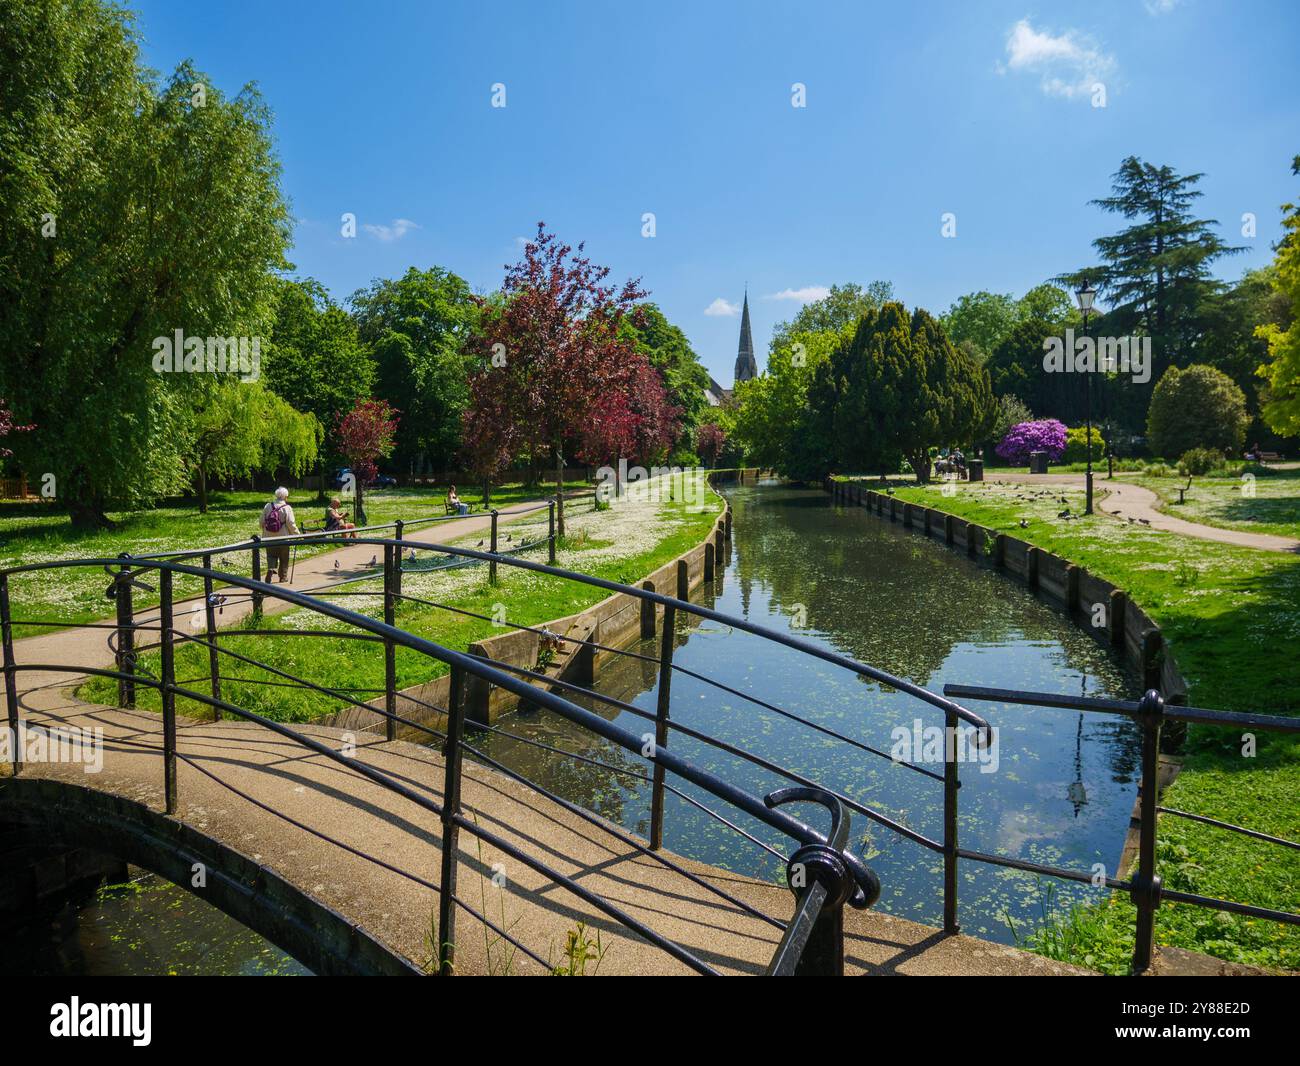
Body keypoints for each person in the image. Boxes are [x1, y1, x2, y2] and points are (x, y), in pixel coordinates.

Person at [260, 487, 300, 582]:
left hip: (268, 537)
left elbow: (261, 521)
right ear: (285, 497)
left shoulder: (268, 506)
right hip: (283, 537)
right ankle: (283, 577)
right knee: (284, 558)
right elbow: (291, 523)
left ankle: (271, 568)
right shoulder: (287, 508)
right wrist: (297, 534)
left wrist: (265, 531)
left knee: (271, 555)